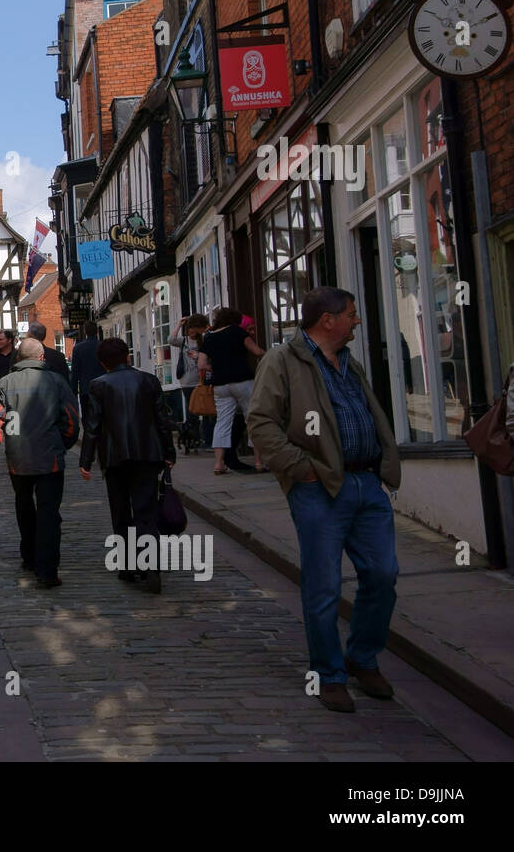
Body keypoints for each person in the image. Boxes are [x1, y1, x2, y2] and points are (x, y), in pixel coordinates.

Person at [247, 287, 402, 714]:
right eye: (351, 315)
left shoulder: (352, 364)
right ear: (327, 320)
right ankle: (329, 674)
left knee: (383, 575)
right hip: (319, 488)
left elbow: (368, 414)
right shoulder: (281, 360)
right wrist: (302, 468)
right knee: (324, 585)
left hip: (366, 483)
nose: (356, 321)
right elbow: (261, 422)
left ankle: (362, 656)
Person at [78, 338, 176, 594]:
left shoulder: (98, 385)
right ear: (128, 357)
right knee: (146, 512)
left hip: (114, 457)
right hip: (147, 454)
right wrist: (169, 452)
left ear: (102, 363)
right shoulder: (149, 381)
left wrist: (85, 460)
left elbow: (92, 426)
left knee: (120, 512)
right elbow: (162, 420)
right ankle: (152, 565)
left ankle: (128, 565)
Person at [0, 339, 80, 588]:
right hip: (50, 458)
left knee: (24, 507)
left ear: (18, 359)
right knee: (49, 512)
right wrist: (62, 444)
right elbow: (71, 420)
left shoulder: (4, 383)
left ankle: (29, 556)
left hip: (18, 458)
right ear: (42, 358)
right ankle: (47, 570)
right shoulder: (57, 382)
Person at [197, 307, 267, 475]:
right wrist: (272, 356)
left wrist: (218, 369)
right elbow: (257, 352)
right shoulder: (237, 331)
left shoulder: (209, 337)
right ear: (234, 320)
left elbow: (201, 365)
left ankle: (219, 464)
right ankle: (259, 461)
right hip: (243, 381)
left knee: (222, 422)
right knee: (253, 419)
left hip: (220, 386)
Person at [171, 314, 213, 446]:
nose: (192, 331)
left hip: (202, 380)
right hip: (187, 381)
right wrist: (179, 323)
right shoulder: (183, 341)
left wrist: (197, 355)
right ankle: (194, 438)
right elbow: (171, 339)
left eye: (194, 328)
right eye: (190, 329)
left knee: (207, 410)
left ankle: (207, 439)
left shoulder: (205, 340)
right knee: (193, 411)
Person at [70, 322, 103, 419]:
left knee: (87, 418)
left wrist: (74, 393)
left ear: (85, 332)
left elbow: (75, 372)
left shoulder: (78, 348)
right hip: (103, 388)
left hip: (86, 389)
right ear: (97, 331)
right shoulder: (103, 345)